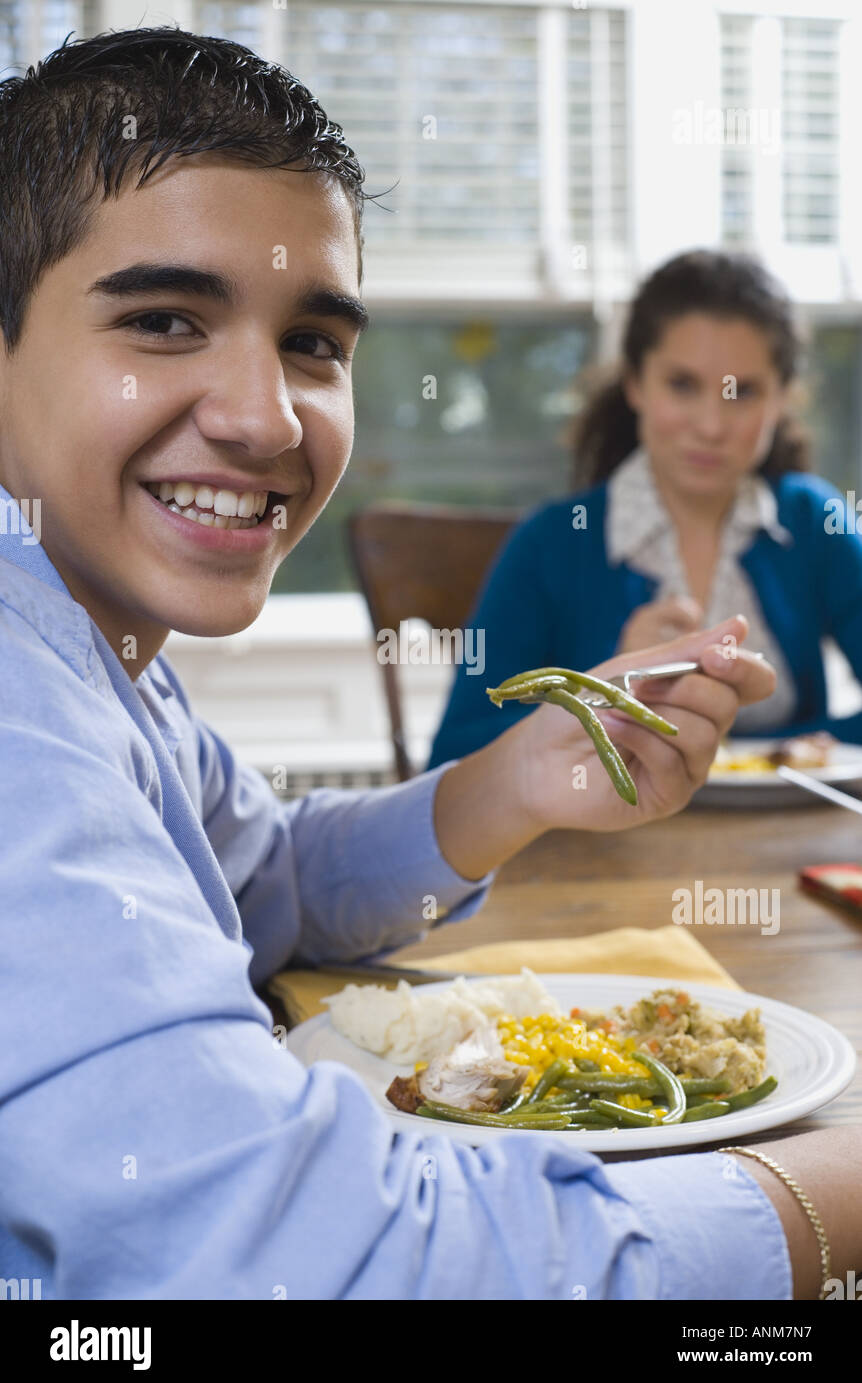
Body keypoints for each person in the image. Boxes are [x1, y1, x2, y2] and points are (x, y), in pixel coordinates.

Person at [0, 26, 858, 1303]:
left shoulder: (92, 649)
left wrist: (515, 782)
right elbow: (337, 1265)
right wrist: (826, 1194)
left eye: (314, 344)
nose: (268, 415)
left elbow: (263, 878)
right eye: (166, 318)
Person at [428, 250, 862, 768]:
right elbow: (456, 755)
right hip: (601, 847)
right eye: (682, 385)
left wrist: (785, 752)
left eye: (743, 392)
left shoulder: (815, 522)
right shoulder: (549, 542)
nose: (710, 425)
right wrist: (606, 695)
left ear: (783, 398)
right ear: (635, 384)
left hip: (786, 844)